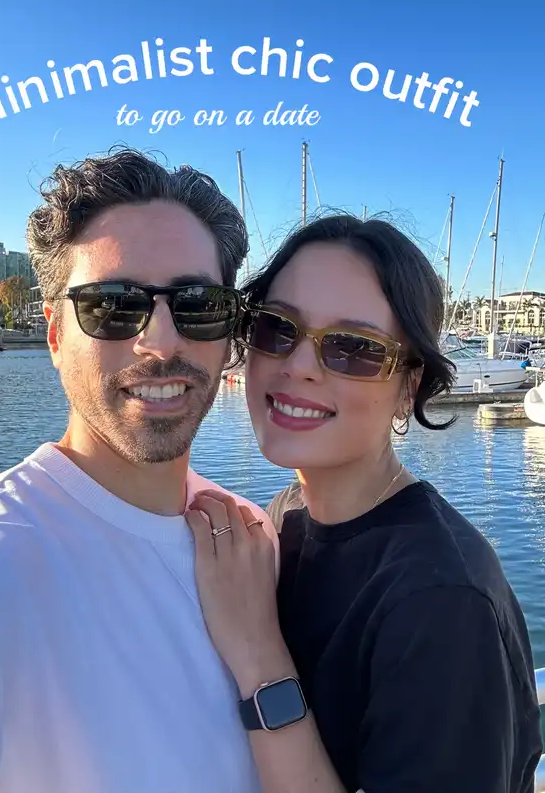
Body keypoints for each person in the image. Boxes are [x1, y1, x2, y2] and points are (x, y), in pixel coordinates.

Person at [0, 148, 278, 793]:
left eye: (197, 304)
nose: (161, 341)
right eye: (113, 306)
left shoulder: (248, 540)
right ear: (55, 337)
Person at [186, 213, 543, 793]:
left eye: (353, 349)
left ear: (409, 386)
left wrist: (258, 656)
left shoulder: (442, 600)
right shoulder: (285, 519)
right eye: (277, 328)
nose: (298, 365)